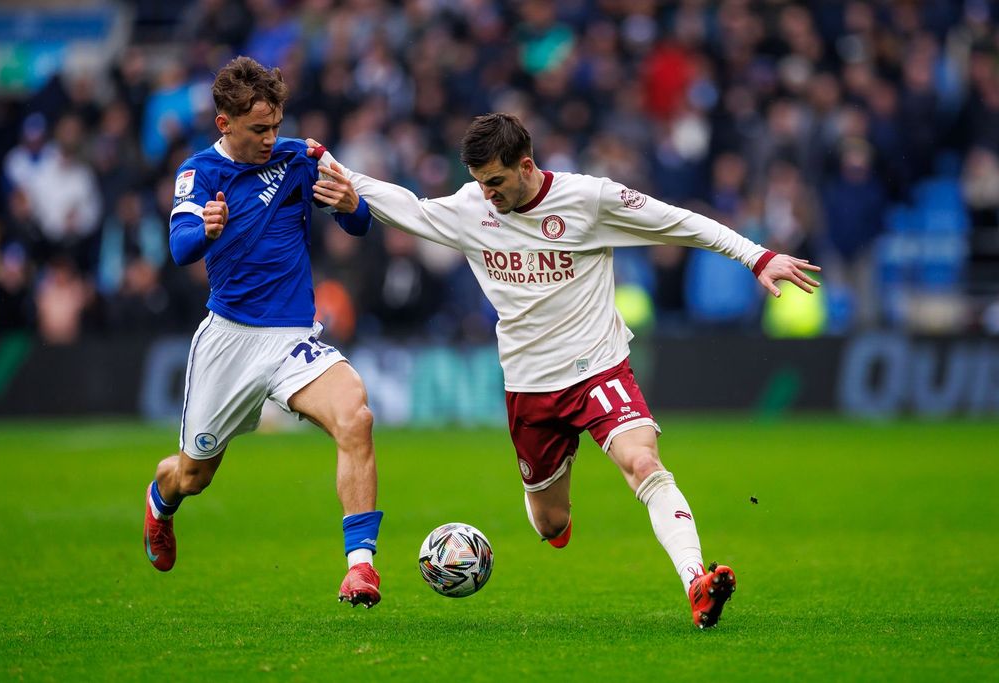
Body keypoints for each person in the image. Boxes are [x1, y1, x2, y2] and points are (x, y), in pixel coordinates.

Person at [307, 113, 821, 628]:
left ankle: (696, 582)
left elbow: (679, 222)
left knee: (643, 463)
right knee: (550, 523)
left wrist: (756, 257)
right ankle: (557, 520)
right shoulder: (472, 208)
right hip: (529, 386)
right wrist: (325, 163)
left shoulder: (589, 200)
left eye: (496, 182)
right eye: (478, 181)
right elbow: (403, 205)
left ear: (526, 165)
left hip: (598, 368)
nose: (486, 194)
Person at [143, 56, 384, 609]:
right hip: (230, 340)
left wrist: (352, 205)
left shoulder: (301, 158)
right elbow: (180, 250)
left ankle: (360, 568)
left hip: (293, 339)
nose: (271, 139)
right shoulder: (199, 172)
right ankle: (161, 500)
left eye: (276, 125)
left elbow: (358, 222)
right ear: (224, 123)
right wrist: (205, 229)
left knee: (356, 416)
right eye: (258, 130)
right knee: (194, 475)